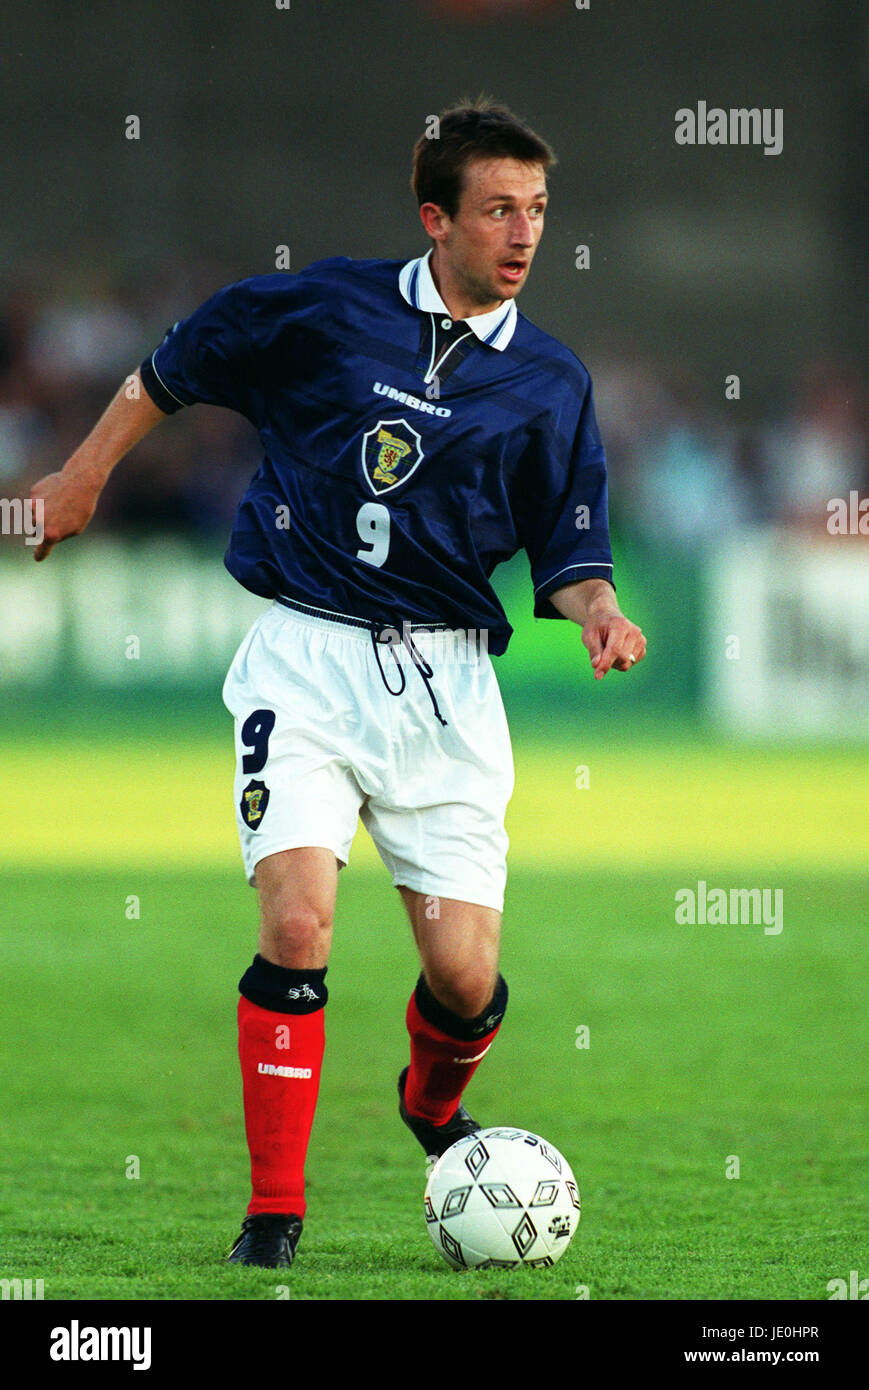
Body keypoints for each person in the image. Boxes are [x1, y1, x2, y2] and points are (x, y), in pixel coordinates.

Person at [30, 100, 646, 1270]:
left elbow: (570, 553)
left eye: (538, 211)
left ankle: (427, 1098)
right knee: (299, 922)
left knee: (463, 980)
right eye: (499, 210)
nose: (525, 235)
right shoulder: (322, 308)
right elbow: (170, 367)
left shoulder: (549, 382)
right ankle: (274, 1213)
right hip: (305, 658)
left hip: (448, 688)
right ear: (436, 217)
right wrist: (80, 471)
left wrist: (600, 612)